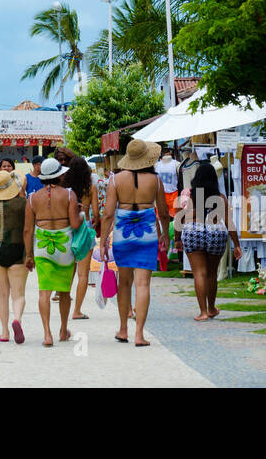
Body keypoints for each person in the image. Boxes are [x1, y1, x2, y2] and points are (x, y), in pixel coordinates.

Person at [101, 139, 170, 346]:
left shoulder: (115, 180)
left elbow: (108, 214)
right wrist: (165, 234)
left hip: (122, 231)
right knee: (143, 284)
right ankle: (139, 334)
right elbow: (164, 213)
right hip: (147, 230)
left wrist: (103, 240)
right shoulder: (155, 181)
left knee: (124, 282)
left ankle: (123, 329)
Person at [24, 158, 80, 346]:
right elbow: (74, 224)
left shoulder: (32, 198)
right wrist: (81, 215)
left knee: (44, 291)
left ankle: (47, 334)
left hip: (42, 246)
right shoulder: (70, 195)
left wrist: (29, 255)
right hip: (65, 246)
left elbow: (27, 230)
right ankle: (63, 330)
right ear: (60, 175)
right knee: (64, 291)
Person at [179, 161, 241, 321]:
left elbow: (180, 218)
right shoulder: (220, 198)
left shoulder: (189, 195)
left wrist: (176, 239)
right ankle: (212, 308)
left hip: (193, 230)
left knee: (199, 273)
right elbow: (229, 222)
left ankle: (203, 312)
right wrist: (237, 244)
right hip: (215, 232)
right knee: (212, 273)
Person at [0, 170, 28, 344]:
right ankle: (17, 319)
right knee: (18, 294)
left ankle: (4, 332)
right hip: (18, 251)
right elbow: (29, 228)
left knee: (2, 294)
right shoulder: (23, 204)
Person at [60, 149, 96, 320]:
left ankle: (63, 298)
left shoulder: (64, 189)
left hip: (68, 227)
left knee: (68, 269)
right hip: (85, 227)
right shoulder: (91, 188)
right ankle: (77, 310)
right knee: (83, 273)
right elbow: (96, 213)